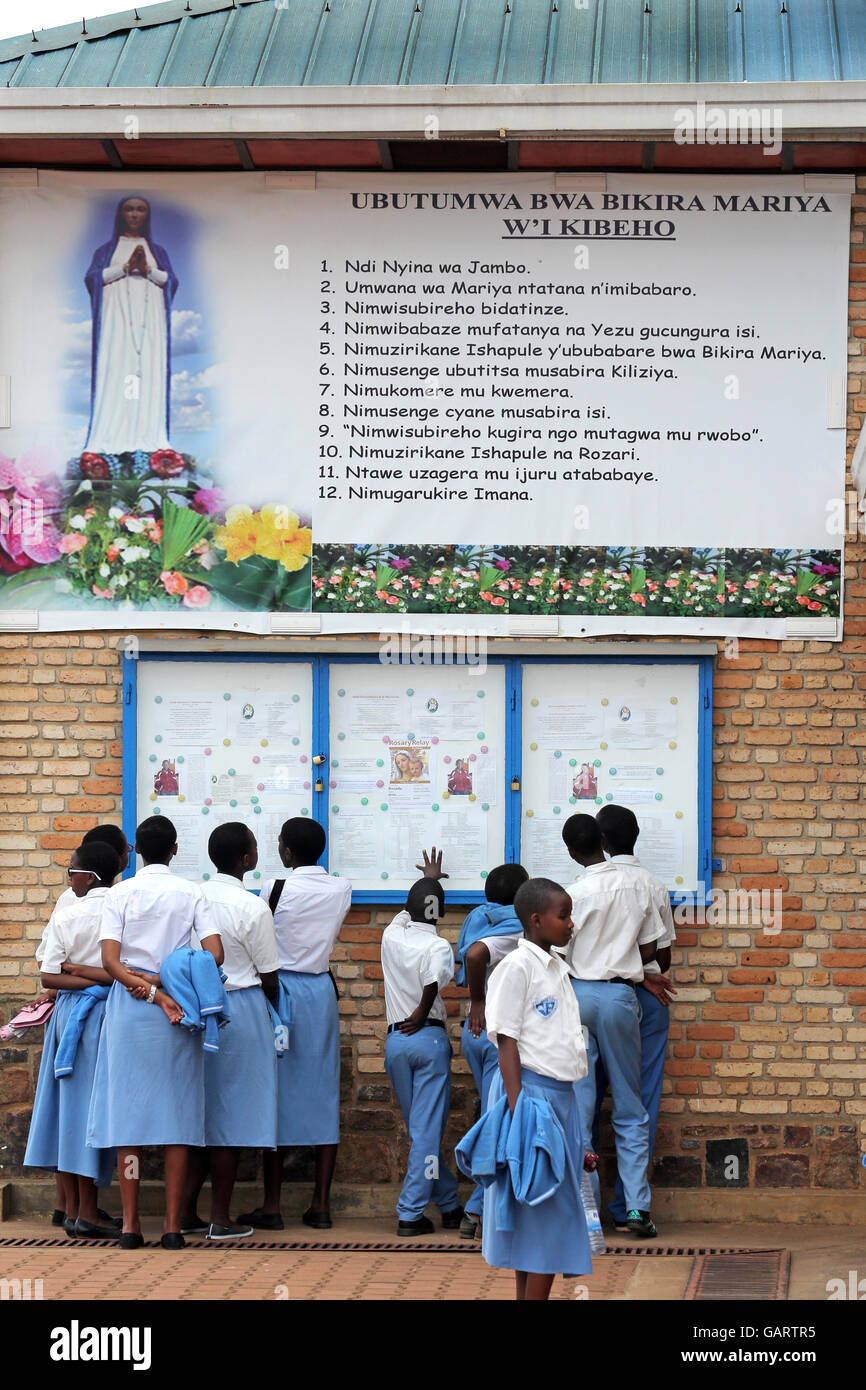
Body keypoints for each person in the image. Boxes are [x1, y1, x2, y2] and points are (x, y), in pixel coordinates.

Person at [86, 814, 223, 1251]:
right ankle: (172, 1226)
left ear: (136, 852)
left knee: (129, 1121)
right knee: (177, 1119)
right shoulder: (192, 892)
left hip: (129, 1008)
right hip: (177, 1009)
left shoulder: (121, 893)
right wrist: (167, 982)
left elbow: (110, 962)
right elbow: (214, 955)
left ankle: (129, 1225)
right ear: (176, 849)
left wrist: (144, 983)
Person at [472, 877, 591, 1301]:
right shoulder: (515, 969)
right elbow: (506, 1040)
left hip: (559, 1100)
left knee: (539, 1215)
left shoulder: (557, 967)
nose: (571, 923)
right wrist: (520, 1108)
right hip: (530, 1099)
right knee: (546, 1216)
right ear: (537, 921)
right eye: (564, 916)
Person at [240, 818, 351, 1232]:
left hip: (279, 991)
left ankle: (272, 1205)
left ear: (285, 851)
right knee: (323, 1090)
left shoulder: (275, 888)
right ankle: (320, 1204)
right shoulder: (342, 888)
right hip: (320, 992)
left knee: (276, 1091)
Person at [561, 814, 665, 1239]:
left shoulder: (571, 894)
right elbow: (651, 948)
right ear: (602, 843)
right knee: (630, 1102)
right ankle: (637, 1208)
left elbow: (559, 949)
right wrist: (639, 973)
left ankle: (586, 1210)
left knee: (581, 1106)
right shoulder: (638, 886)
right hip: (622, 996)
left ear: (571, 851)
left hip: (578, 997)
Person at [181, 823, 281, 1241]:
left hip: (197, 1009)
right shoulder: (253, 907)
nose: (257, 853)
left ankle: (185, 1211)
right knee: (232, 1118)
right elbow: (269, 973)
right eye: (255, 848)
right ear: (245, 860)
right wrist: (274, 1013)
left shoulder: (193, 898)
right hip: (241, 1008)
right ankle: (220, 1218)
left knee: (199, 1113)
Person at [34, 821, 131, 1229]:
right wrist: (99, 975)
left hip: (71, 1013)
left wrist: (76, 969)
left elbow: (49, 975)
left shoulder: (69, 912)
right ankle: (82, 1211)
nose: (68, 879)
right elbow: (121, 972)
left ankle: (77, 1209)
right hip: (111, 1010)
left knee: (72, 1110)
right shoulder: (126, 906)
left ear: (88, 876)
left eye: (71, 871)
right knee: (97, 1110)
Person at [593, 804, 677, 1232]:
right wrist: (644, 973)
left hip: (597, 996)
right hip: (646, 998)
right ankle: (630, 1203)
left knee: (586, 1095)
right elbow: (662, 954)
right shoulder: (652, 885)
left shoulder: (589, 886)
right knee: (640, 1097)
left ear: (600, 842)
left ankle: (583, 1199)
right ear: (637, 834)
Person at [381, 850, 462, 1237]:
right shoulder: (439, 946)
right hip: (427, 1037)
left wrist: (429, 880)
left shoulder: (391, 933)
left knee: (421, 1131)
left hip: (396, 1041)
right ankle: (410, 1213)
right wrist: (423, 1008)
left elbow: (416, 905)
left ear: (408, 909)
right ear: (439, 913)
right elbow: (433, 979)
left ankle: (447, 1203)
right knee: (428, 1132)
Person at [455, 861, 528, 1239]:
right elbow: (474, 957)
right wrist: (480, 1001)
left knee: (491, 1116)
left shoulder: (478, 917)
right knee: (498, 1120)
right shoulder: (515, 928)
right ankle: (476, 1210)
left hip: (475, 1035)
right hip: (496, 1033)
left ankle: (478, 1208)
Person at [84, 194, 178, 454]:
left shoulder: (158, 252)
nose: (135, 215)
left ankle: (148, 437)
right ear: (121, 214)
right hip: (117, 326)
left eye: (140, 210)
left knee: (149, 373)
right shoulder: (105, 251)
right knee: (115, 371)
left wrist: (146, 270)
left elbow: (170, 281)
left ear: (147, 215)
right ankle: (111, 438)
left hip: (150, 328)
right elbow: (93, 279)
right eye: (129, 209)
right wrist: (125, 267)